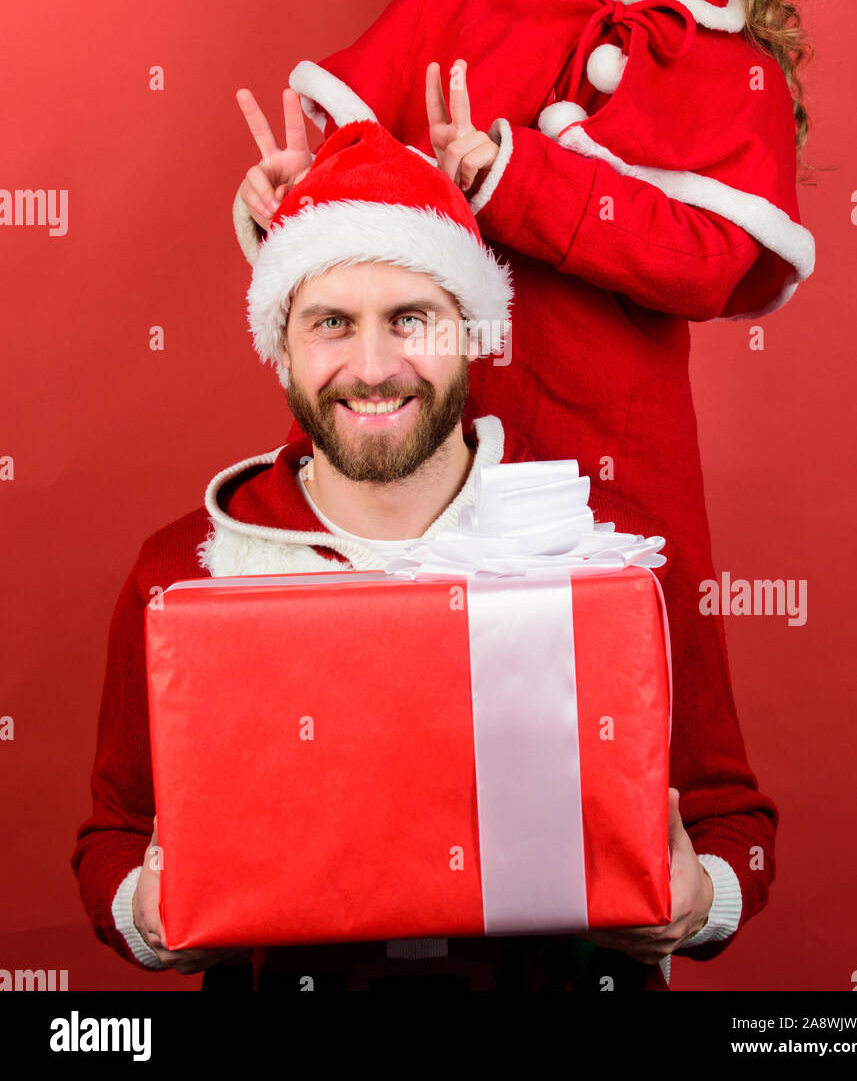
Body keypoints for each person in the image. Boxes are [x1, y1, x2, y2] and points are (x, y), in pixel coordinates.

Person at [72, 119, 777, 992]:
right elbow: (113, 838)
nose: (373, 367)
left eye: (412, 319)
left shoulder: (612, 548)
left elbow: (731, 821)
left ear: (473, 333)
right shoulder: (186, 567)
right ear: (281, 342)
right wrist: (144, 910)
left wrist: (701, 897)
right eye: (333, 321)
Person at [232, 0, 819, 730]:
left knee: (612, 728)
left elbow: (708, 261)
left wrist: (516, 181)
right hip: (410, 427)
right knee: (375, 714)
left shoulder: (738, 71)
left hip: (613, 448)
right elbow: (358, 183)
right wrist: (300, 201)